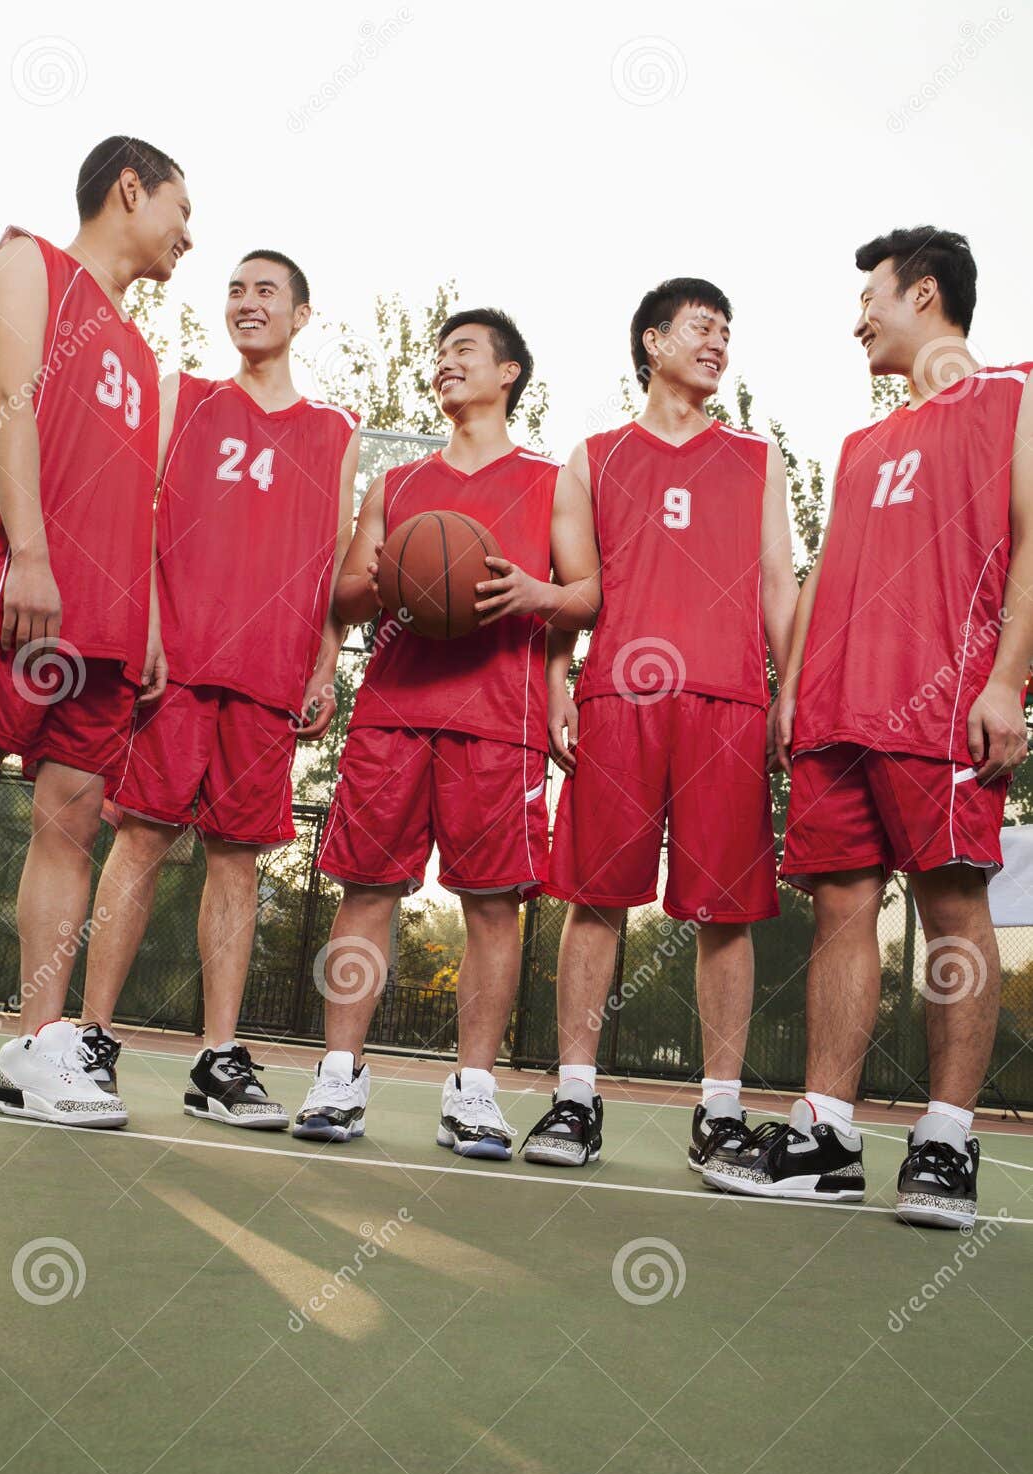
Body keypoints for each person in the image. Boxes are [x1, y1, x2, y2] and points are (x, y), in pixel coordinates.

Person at [704, 227, 1032, 1227]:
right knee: (838, 911)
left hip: (942, 704)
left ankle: (943, 1139)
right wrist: (792, 689)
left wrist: (1006, 684)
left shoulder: (1014, 394)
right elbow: (820, 579)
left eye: (868, 300)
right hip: (835, 712)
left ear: (922, 295)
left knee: (949, 908)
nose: (856, 321)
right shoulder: (860, 443)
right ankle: (824, 1133)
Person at [295, 309, 600, 1156]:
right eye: (438, 354)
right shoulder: (395, 487)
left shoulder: (551, 481)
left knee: (493, 906)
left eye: (462, 351)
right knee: (365, 892)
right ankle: (337, 1073)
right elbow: (346, 596)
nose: (443, 363)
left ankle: (472, 1089)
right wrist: (389, 578)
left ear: (508, 373)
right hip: (393, 711)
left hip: (500, 723)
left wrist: (536, 596)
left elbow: (588, 594)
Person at [76, 251, 359, 1127]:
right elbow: (133, 514)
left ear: (301, 315)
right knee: (142, 844)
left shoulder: (335, 431)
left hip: (270, 675)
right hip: (177, 666)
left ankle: (217, 1056)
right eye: (234, 289)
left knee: (238, 865)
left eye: (264, 291)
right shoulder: (185, 395)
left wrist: (324, 663)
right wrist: (146, 624)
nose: (245, 303)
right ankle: (89, 1037)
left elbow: (333, 568)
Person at [524, 277, 798, 1167]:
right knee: (596, 900)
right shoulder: (592, 455)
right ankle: (574, 1098)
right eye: (699, 327)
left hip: (727, 700)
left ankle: (719, 1108)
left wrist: (790, 691)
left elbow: (776, 589)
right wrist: (559, 682)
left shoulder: (758, 457)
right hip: (619, 697)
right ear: (651, 341)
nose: (717, 341)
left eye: (726, 331)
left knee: (726, 913)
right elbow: (575, 591)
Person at [0, 136, 192, 1127]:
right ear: (129, 189)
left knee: (68, 828)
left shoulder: (143, 354)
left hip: (98, 632)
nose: (190, 234)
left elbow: (135, 499)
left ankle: (38, 1047)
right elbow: (4, 414)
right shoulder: (29, 262)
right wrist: (36, 557)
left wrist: (140, 616)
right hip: (12, 592)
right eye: (181, 209)